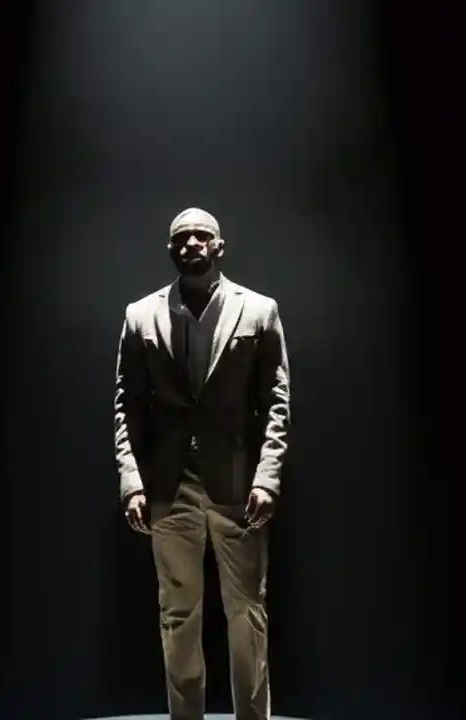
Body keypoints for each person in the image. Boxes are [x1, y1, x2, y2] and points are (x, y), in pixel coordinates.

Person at [113, 207, 291, 720]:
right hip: (168, 485)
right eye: (182, 238)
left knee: (247, 613)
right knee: (178, 614)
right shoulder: (140, 315)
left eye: (202, 237)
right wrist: (132, 483)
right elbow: (126, 404)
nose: (192, 243)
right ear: (171, 249)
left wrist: (268, 478)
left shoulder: (259, 310)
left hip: (238, 484)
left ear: (219, 246)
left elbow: (277, 401)